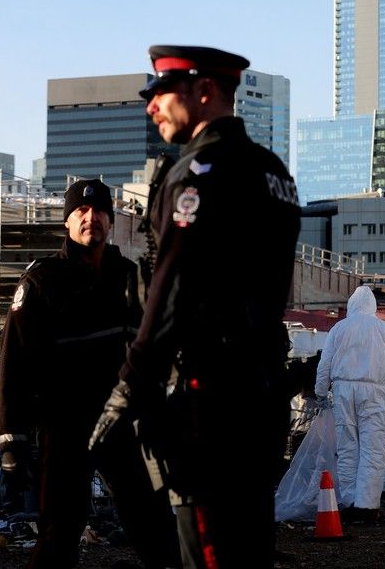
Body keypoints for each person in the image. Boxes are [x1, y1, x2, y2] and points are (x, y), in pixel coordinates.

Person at [89, 45, 301, 568]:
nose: (151, 107)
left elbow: (173, 285)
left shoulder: (198, 174)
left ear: (203, 92)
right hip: (262, 392)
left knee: (206, 550)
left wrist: (129, 387)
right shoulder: (275, 173)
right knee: (248, 544)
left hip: (211, 400)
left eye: (162, 93)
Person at [0, 178, 180, 569]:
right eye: (80, 211)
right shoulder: (41, 282)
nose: (90, 218)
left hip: (124, 426)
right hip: (65, 427)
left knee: (155, 526)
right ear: (67, 221)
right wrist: (11, 437)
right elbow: (14, 364)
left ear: (110, 220)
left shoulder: (131, 279)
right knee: (59, 534)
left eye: (99, 211)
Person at [313, 285, 385, 522]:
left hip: (342, 390)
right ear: (373, 306)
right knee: (372, 447)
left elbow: (324, 364)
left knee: (348, 447)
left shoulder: (339, 328)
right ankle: (367, 505)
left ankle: (348, 500)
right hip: (373, 390)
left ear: (351, 305)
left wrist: (319, 392)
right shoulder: (384, 329)